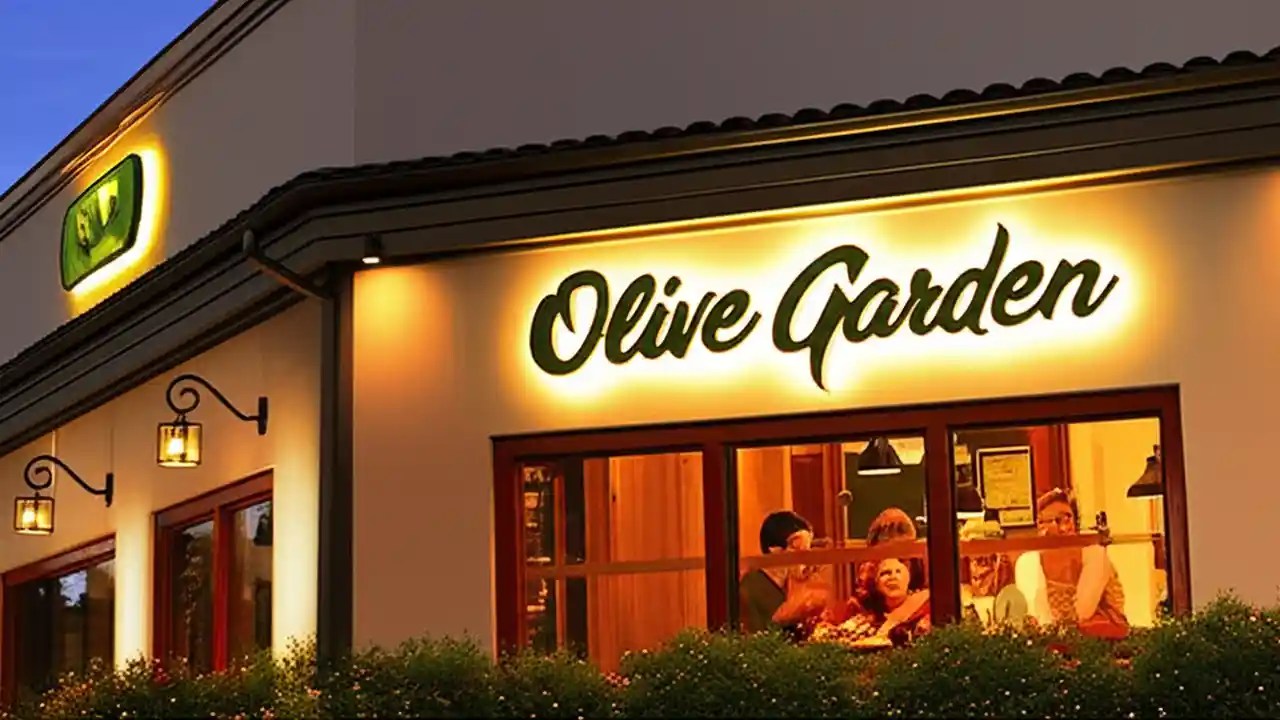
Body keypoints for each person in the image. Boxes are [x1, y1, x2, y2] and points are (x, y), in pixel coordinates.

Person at [1026, 488, 1129, 638]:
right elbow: (1038, 613)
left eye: (1068, 518)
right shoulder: (1032, 563)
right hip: (1058, 646)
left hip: (1100, 645)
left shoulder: (1094, 554)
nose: (1064, 527)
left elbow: (1084, 611)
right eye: (1054, 521)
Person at [740, 510, 830, 640]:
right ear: (774, 550)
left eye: (807, 551)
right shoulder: (750, 588)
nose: (804, 559)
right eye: (796, 549)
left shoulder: (792, 583)